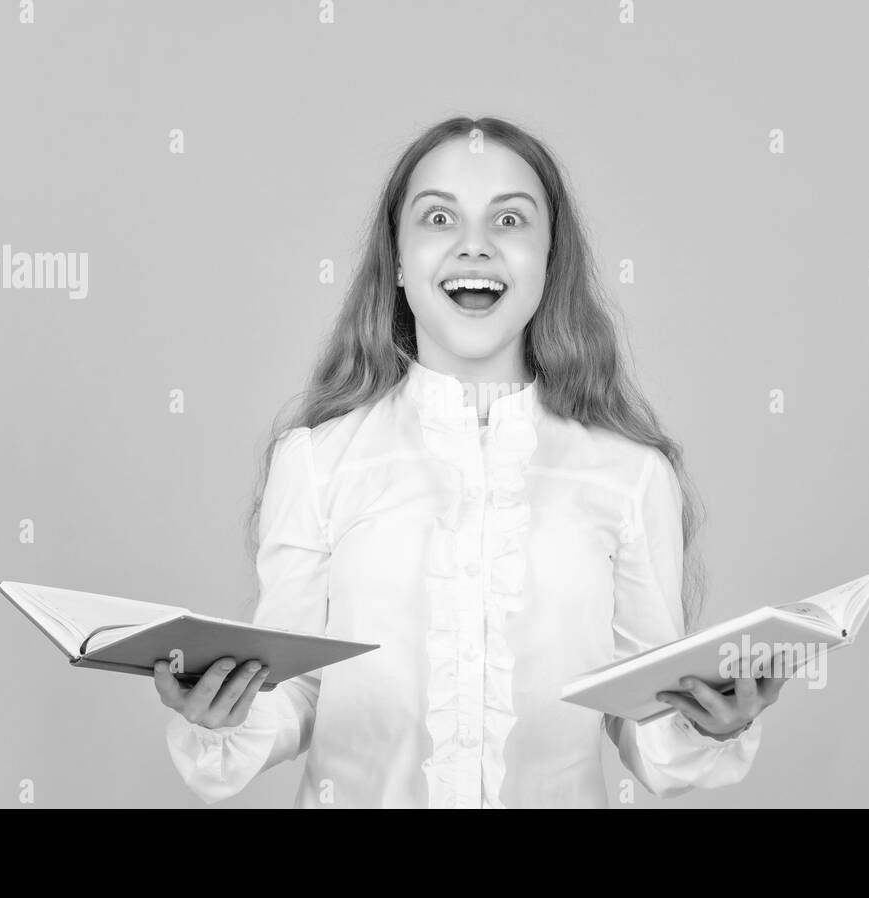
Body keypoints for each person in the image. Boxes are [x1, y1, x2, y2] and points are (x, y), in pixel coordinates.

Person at [153, 115, 787, 808]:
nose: (475, 245)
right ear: (398, 261)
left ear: (550, 261)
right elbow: (299, 689)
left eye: (509, 220)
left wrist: (710, 724)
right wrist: (224, 718)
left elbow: (646, 718)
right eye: (439, 218)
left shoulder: (631, 475)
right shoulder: (317, 462)